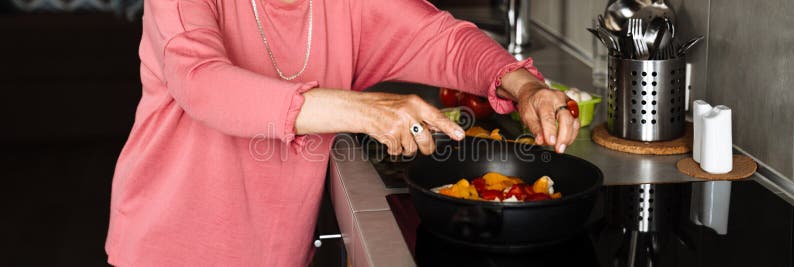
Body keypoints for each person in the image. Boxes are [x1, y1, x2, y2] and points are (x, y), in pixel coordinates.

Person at [105, 0, 580, 265]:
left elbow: (442, 38)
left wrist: (522, 86)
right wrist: (365, 111)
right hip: (169, 250)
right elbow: (203, 83)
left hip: (279, 255)